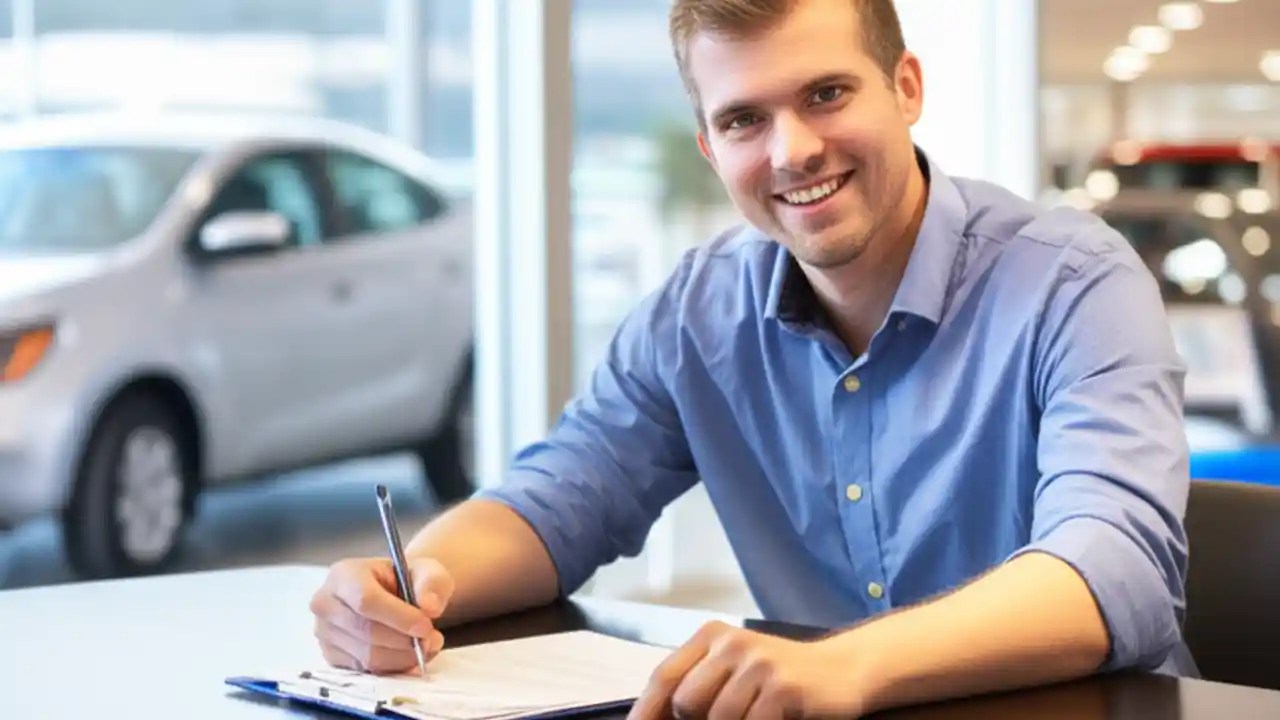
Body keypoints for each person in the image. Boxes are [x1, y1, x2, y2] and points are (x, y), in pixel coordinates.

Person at [309, 0, 1195, 716]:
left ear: (907, 86)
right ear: (709, 147)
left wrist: (846, 668)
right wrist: (413, 583)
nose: (793, 150)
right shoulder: (697, 314)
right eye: (743, 119)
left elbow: (1115, 571)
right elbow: (553, 503)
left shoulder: (1074, 280)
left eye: (825, 95)